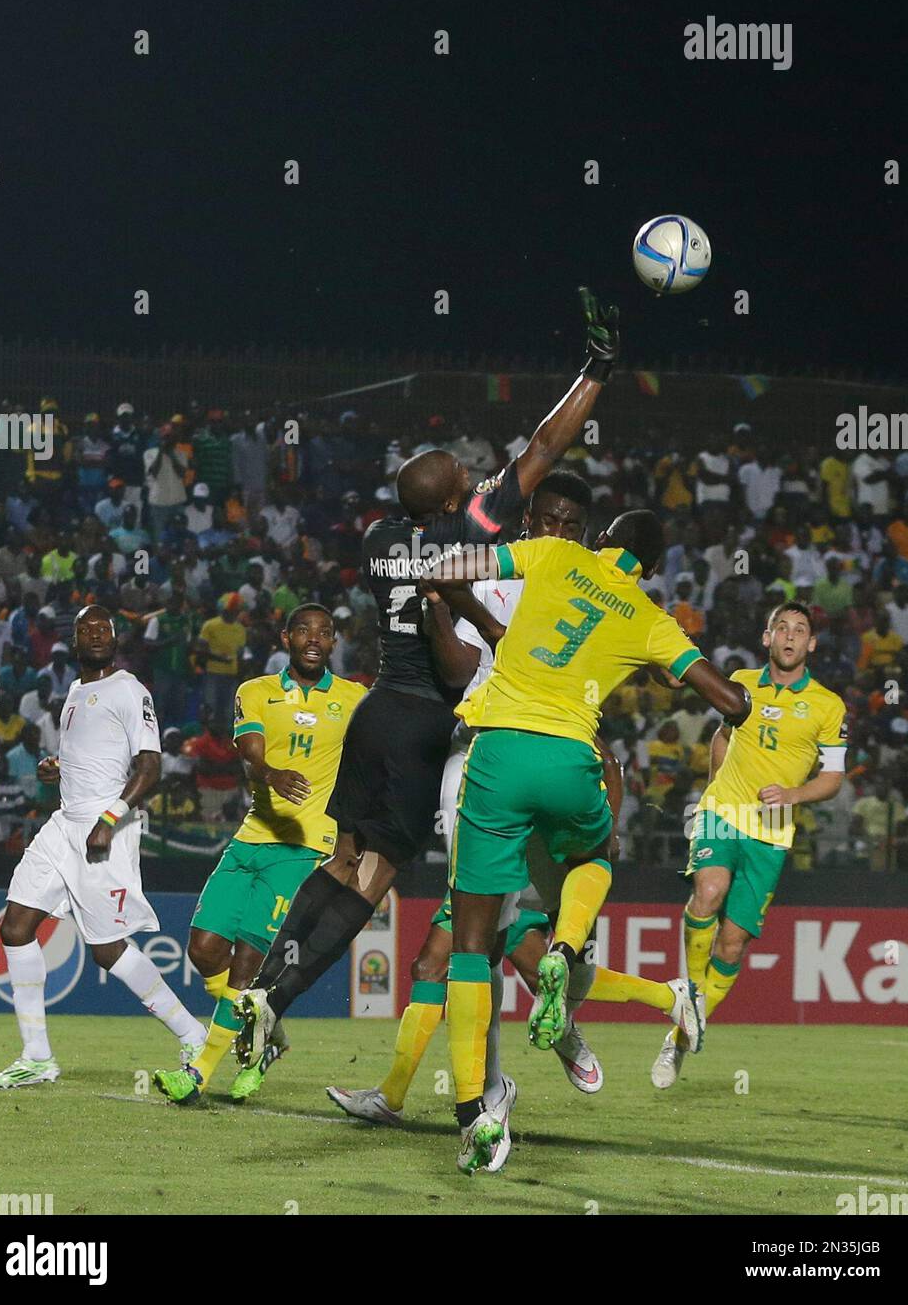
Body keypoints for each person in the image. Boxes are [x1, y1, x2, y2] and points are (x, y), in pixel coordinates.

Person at [232, 291, 622, 1068]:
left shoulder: (379, 538)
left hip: (372, 711)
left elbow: (439, 501)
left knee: (339, 857)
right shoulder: (464, 532)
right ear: (453, 499)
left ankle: (261, 985)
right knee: (373, 879)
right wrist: (596, 370)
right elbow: (543, 448)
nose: (478, 478)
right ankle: (276, 999)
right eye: (466, 477)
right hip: (421, 724)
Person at [327, 477, 702, 1165]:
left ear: (590, 533)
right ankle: (442, 1087)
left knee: (477, 949)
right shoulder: (509, 575)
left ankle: (484, 1092)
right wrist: (445, 613)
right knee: (464, 951)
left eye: (571, 521)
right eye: (548, 517)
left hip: (533, 771)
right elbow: (460, 664)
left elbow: (616, 689)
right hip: (481, 762)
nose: (557, 528)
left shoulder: (578, 581)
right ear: (531, 519)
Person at [423, 508, 751, 1172]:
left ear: (603, 540)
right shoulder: (651, 617)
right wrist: (703, 677)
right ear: (651, 568)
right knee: (592, 857)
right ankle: (565, 945)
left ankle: (474, 1114)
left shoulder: (553, 553)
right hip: (573, 758)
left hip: (498, 755)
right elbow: (732, 704)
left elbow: (442, 570)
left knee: (469, 946)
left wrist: (492, 626)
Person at [0, 605, 206, 1090]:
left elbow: (150, 767)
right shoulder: (76, 692)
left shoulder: (129, 689)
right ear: (76, 641)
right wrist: (58, 768)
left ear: (116, 637)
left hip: (104, 827)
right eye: (87, 629)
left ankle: (193, 1034)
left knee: (106, 949)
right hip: (64, 824)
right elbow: (94, 757)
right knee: (16, 926)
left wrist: (109, 820)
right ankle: (37, 1056)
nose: (97, 635)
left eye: (104, 628)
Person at [154, 604, 366, 1105]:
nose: (315, 639)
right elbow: (250, 751)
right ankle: (262, 1035)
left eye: (325, 633)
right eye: (305, 631)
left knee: (248, 969)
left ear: (333, 643)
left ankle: (199, 1073)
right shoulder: (255, 691)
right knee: (204, 948)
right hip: (252, 838)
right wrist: (270, 774)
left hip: (305, 849)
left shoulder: (356, 699)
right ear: (286, 637)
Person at [651, 601, 847, 1088]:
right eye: (781, 627)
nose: (789, 636)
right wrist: (713, 790)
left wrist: (795, 794)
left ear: (811, 644)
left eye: (800, 630)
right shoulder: (741, 681)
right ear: (767, 637)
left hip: (774, 828)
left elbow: (835, 777)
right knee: (708, 893)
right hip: (723, 813)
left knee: (733, 943)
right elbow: (722, 736)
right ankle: (691, 997)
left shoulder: (827, 704)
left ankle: (679, 1038)